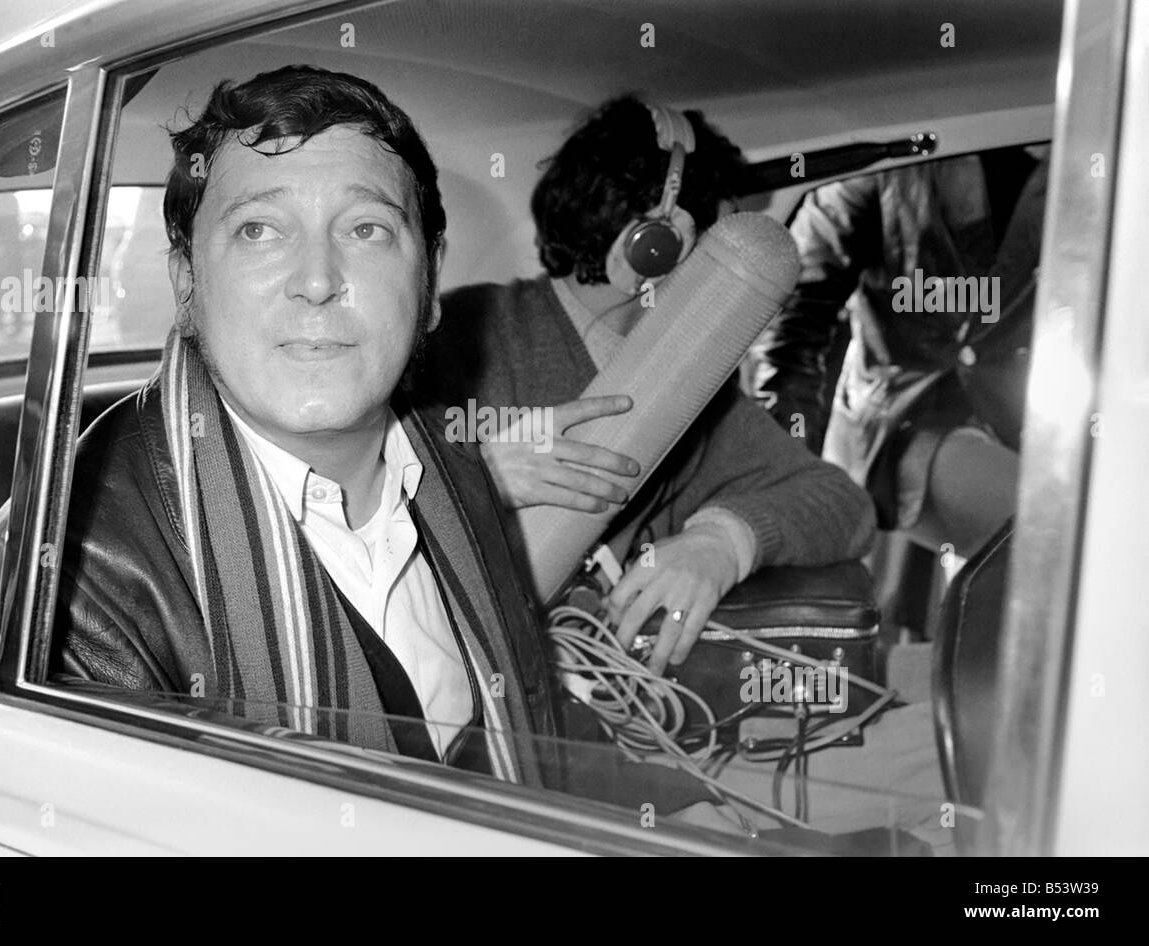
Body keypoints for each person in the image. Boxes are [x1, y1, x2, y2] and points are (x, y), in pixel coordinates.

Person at [0, 65, 555, 781]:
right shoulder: (66, 575)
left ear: (429, 284)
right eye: (259, 230)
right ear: (187, 287)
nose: (316, 279)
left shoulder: (455, 467)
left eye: (366, 229)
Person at [415, 96, 877, 675]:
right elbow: (338, 511)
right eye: (719, 237)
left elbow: (845, 508)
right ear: (657, 243)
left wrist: (724, 543)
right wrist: (477, 479)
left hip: (617, 706)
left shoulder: (693, 385)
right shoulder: (453, 341)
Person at [751, 148, 1048, 560]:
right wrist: (783, 460)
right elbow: (795, 312)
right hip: (901, 419)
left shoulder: (1100, 156)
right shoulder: (898, 160)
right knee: (1062, 534)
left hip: (1028, 424)